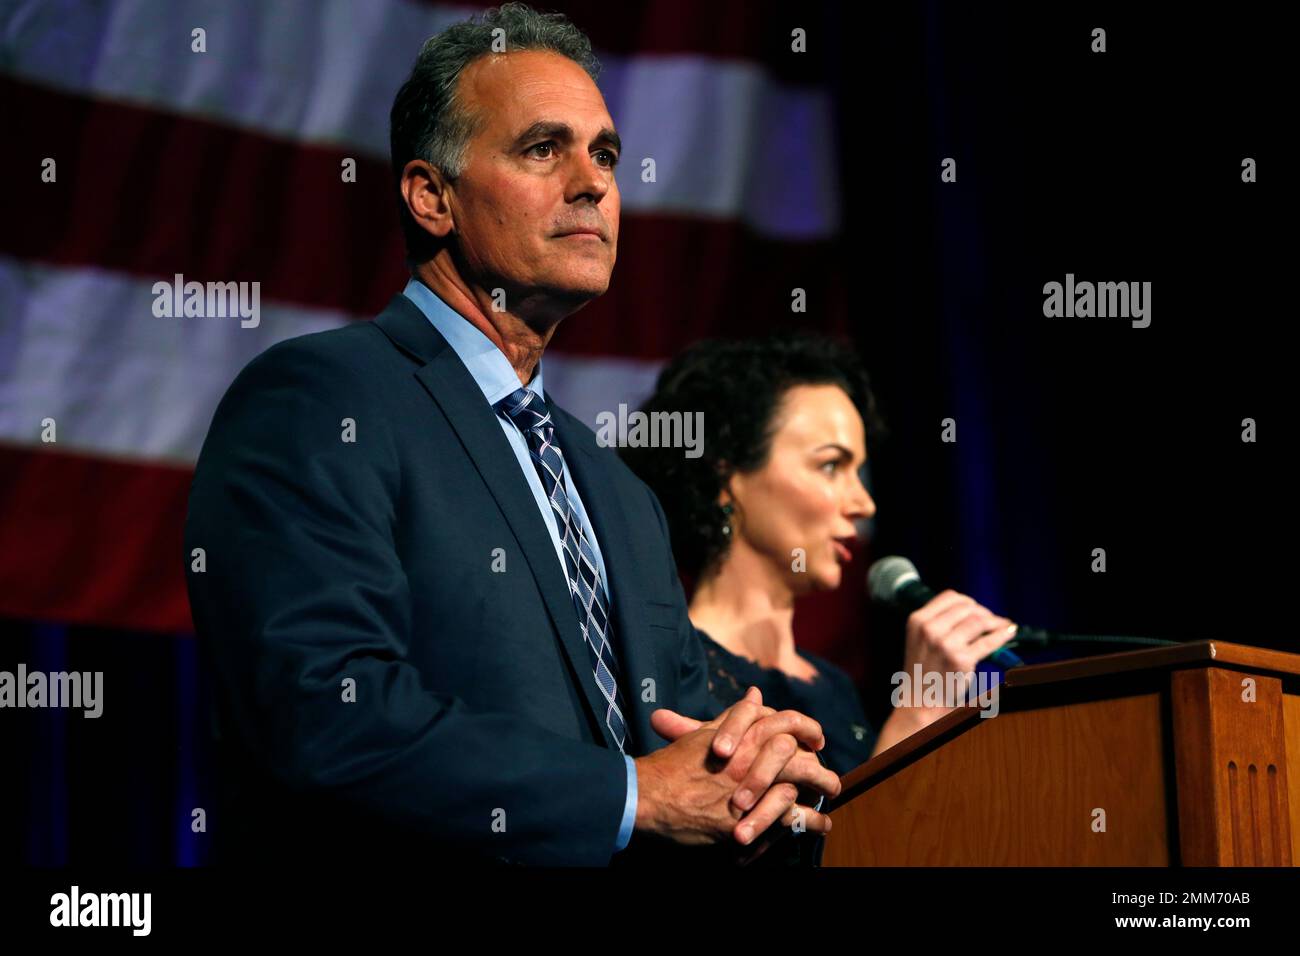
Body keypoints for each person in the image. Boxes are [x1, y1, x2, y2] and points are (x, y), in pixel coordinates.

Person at [183, 3, 840, 868]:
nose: (594, 182)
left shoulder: (617, 492)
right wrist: (633, 796)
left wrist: (751, 773)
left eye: (603, 153)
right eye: (543, 148)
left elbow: (682, 756)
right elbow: (323, 712)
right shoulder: (319, 399)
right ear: (431, 195)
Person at [620, 334, 1018, 776]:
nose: (864, 503)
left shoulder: (835, 687)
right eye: (831, 465)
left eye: (859, 471)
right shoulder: (668, 670)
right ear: (727, 474)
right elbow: (829, 845)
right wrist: (919, 713)